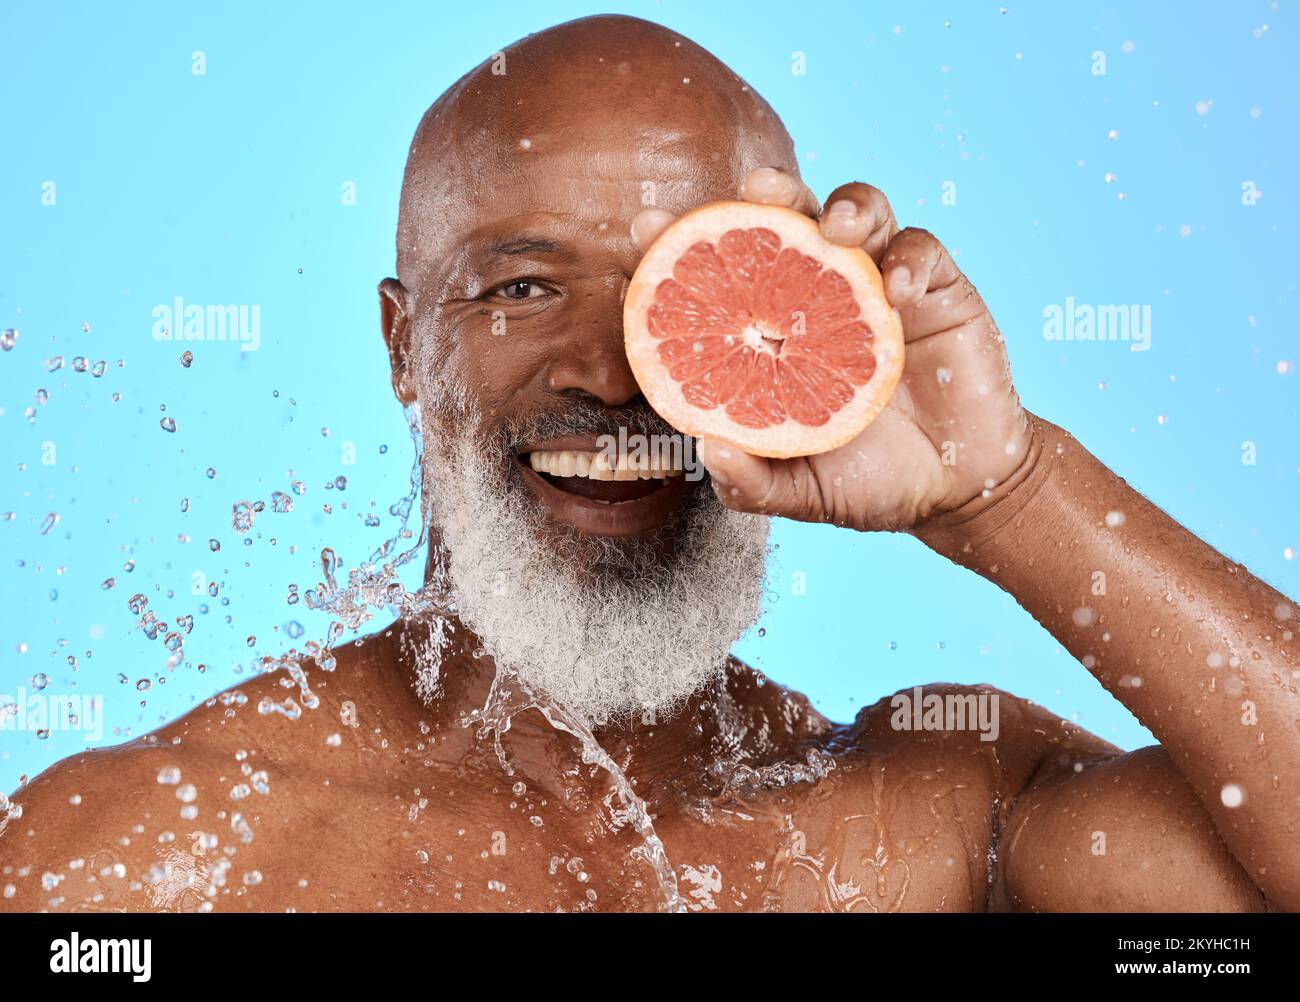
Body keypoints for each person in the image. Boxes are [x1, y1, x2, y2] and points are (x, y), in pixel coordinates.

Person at [1, 14, 1294, 913]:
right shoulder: (147, 853)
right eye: (520, 285)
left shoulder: (943, 817)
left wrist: (1012, 488)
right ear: (405, 343)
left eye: (675, 287)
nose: (611, 372)